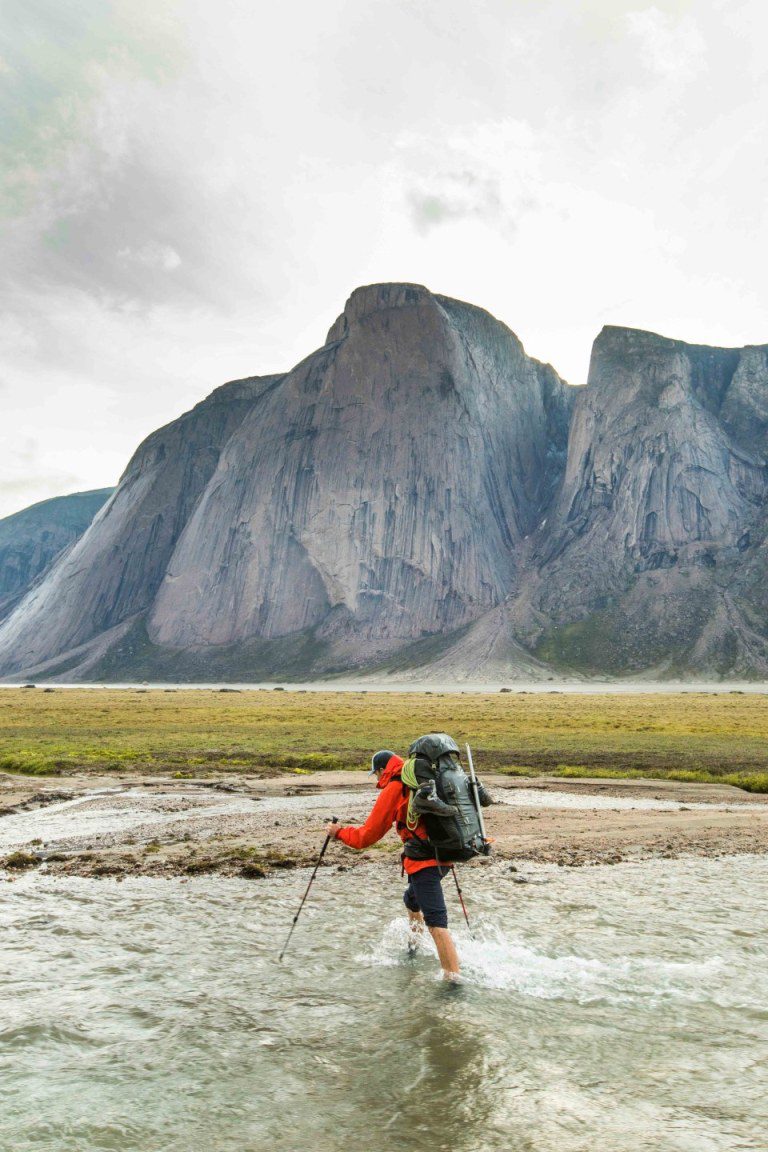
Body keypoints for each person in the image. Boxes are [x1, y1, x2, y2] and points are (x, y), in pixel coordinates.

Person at [325, 749, 463, 980]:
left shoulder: (396, 787)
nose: (378, 779)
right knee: (411, 899)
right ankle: (414, 947)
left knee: (437, 923)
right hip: (446, 855)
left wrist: (338, 832)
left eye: (376, 774)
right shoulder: (426, 778)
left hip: (423, 862)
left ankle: (453, 981)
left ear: (381, 770)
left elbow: (366, 836)